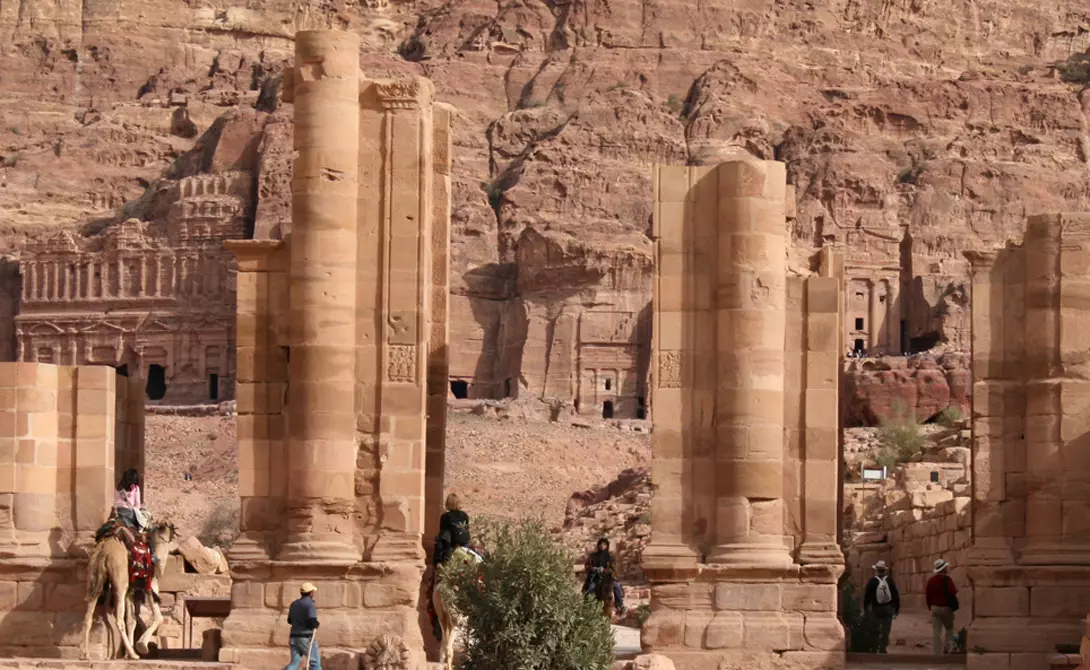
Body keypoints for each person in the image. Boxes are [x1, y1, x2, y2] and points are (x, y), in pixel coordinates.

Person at [862, 560, 901, 654]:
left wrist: (866, 608)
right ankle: (883, 648)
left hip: (876, 608)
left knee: (875, 628)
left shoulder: (872, 581)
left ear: (876, 570)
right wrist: (896, 609)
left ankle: (874, 647)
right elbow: (895, 595)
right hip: (888, 608)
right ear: (884, 570)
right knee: (886, 630)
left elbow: (867, 596)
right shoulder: (890, 580)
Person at [583, 538, 625, 615]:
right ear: (598, 545)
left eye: (604, 544)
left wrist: (605, 570)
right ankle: (587, 607)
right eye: (601, 544)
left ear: (607, 546)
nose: (602, 546)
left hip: (608, 578)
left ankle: (619, 606)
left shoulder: (610, 557)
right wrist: (594, 568)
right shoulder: (593, 556)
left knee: (617, 586)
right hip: (595, 577)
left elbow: (614, 569)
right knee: (590, 588)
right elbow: (587, 566)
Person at [285, 583, 321, 670]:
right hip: (306, 638)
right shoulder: (310, 605)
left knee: (294, 663)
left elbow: (289, 621)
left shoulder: (294, 604)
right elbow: (312, 622)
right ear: (310, 593)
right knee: (315, 662)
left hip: (293, 637)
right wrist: (316, 624)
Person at [926, 558, 958, 654]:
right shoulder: (947, 580)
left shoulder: (931, 581)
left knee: (936, 631)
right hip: (946, 608)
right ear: (944, 569)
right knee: (949, 628)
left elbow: (928, 596)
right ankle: (947, 647)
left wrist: (930, 607)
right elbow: (953, 592)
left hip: (935, 608)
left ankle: (937, 652)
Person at [433, 493, 472, 568]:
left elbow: (442, 534)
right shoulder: (464, 515)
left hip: (450, 547)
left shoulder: (445, 516)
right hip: (464, 545)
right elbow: (466, 529)